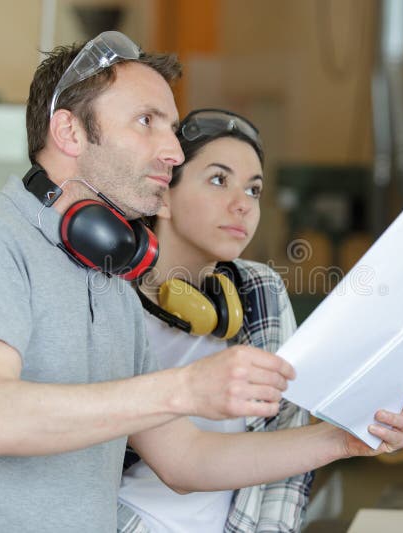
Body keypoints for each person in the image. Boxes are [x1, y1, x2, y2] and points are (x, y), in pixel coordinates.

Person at [0, 31, 403, 533]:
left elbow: (186, 460)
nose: (172, 151)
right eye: (147, 122)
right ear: (69, 130)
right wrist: (185, 388)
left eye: (171, 128)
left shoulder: (109, 278)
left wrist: (344, 439)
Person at [117, 109, 312, 532]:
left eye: (254, 189)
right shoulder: (111, 304)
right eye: (219, 180)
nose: (243, 204)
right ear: (163, 195)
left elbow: (287, 441)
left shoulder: (261, 290)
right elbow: (184, 463)